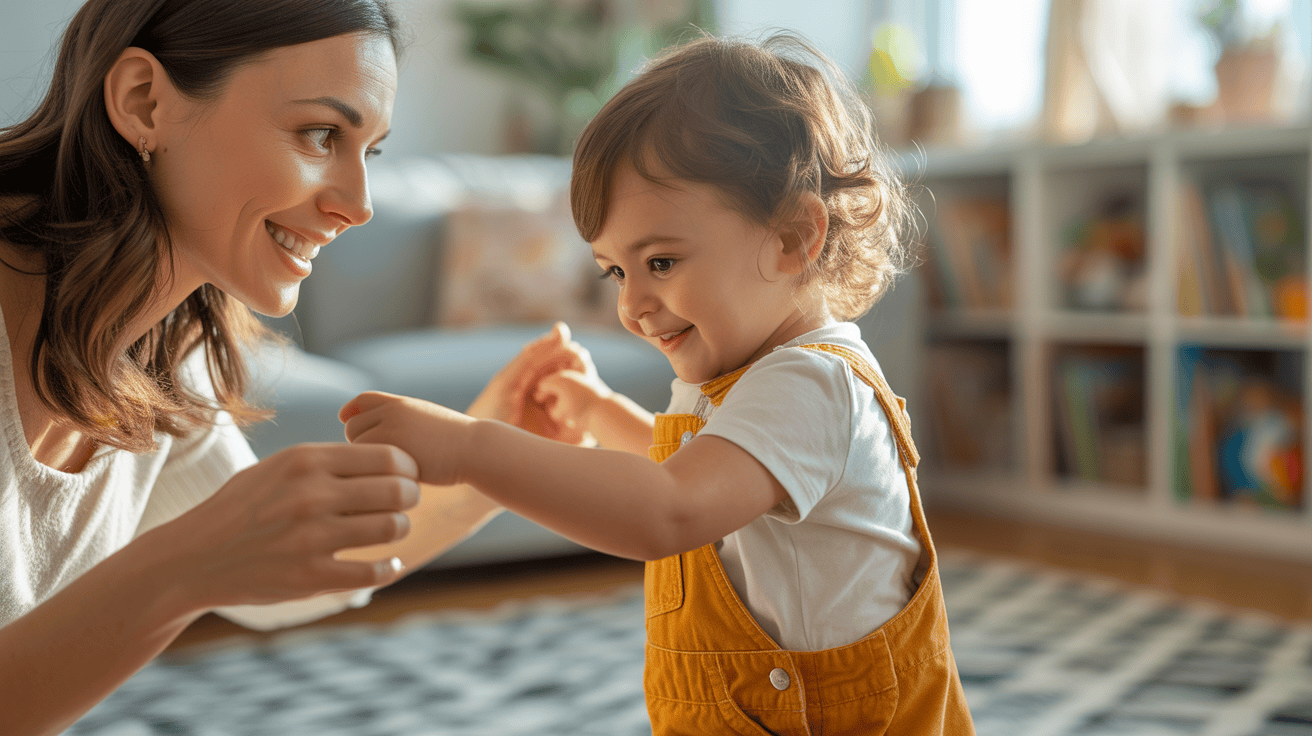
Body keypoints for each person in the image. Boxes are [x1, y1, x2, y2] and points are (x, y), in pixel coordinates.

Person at [342, 32, 976, 734]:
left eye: (662, 263)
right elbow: (694, 474)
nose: (632, 305)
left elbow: (668, 510)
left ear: (794, 237)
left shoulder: (810, 382)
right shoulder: (744, 374)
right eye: (616, 271)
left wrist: (472, 449)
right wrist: (598, 410)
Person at [0, 1, 584, 733]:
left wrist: (490, 459)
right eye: (320, 134)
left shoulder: (167, 349)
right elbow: (215, 557)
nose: (358, 206)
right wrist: (184, 566)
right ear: (143, 101)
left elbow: (279, 576)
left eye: (370, 152)